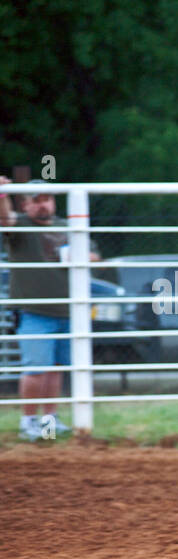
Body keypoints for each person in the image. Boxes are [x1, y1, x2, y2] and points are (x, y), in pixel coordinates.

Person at [0, 178, 101, 441]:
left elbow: (94, 257)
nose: (43, 205)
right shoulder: (20, 225)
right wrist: (2, 195)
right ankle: (28, 421)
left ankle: (48, 421)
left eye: (47, 198)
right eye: (36, 200)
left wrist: (82, 257)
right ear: (25, 204)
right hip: (34, 311)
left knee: (55, 368)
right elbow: (5, 219)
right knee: (36, 369)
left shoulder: (68, 227)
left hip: (68, 311)